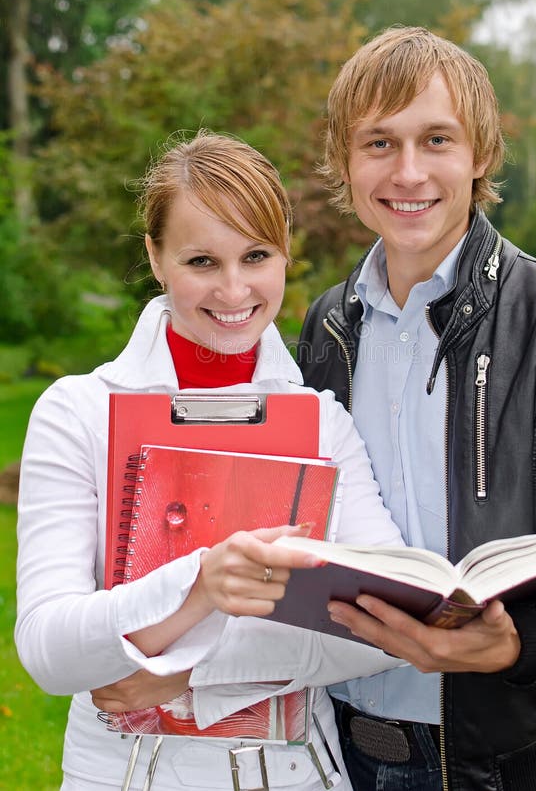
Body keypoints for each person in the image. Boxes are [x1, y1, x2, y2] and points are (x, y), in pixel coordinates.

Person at [15, 130, 407, 791]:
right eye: (201, 261)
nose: (233, 291)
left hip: (297, 774)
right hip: (123, 776)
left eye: (256, 255)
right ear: (156, 256)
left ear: (285, 253)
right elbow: (49, 650)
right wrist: (200, 584)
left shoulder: (323, 422)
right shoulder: (77, 412)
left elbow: (380, 625)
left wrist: (182, 667)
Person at [297, 26, 536, 791]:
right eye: (378, 142)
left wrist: (524, 642)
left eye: (435, 139)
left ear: (480, 153)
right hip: (336, 747)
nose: (407, 172)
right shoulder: (327, 325)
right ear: (345, 162)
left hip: (502, 761)